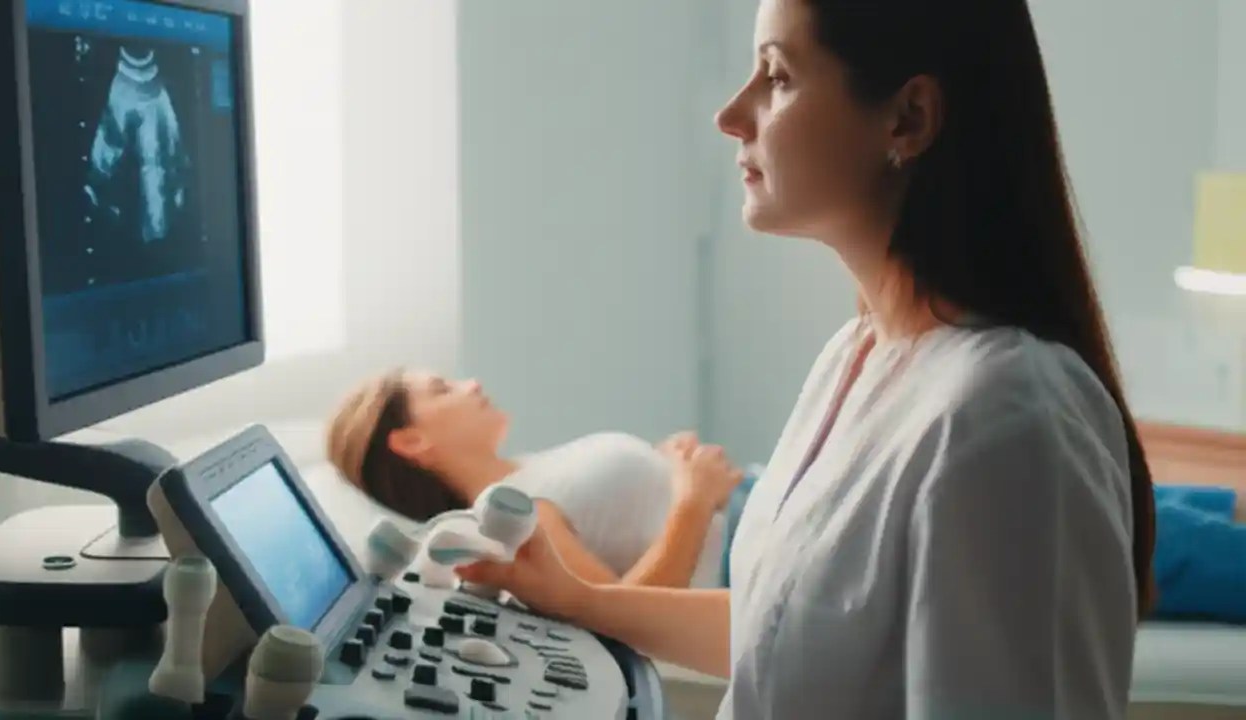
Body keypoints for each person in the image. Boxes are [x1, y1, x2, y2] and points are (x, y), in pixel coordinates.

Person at [456, 0, 1157, 718]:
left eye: (777, 76)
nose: (731, 114)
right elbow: (782, 630)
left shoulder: (1006, 418)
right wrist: (582, 601)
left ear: (908, 119)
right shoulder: (852, 359)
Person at [325, 369, 747, 589]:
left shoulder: (526, 471)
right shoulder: (513, 514)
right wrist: (694, 498)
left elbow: (620, 517)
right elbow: (628, 615)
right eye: (443, 389)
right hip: (743, 551)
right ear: (412, 441)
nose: (471, 385)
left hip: (753, 502)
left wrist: (667, 467)